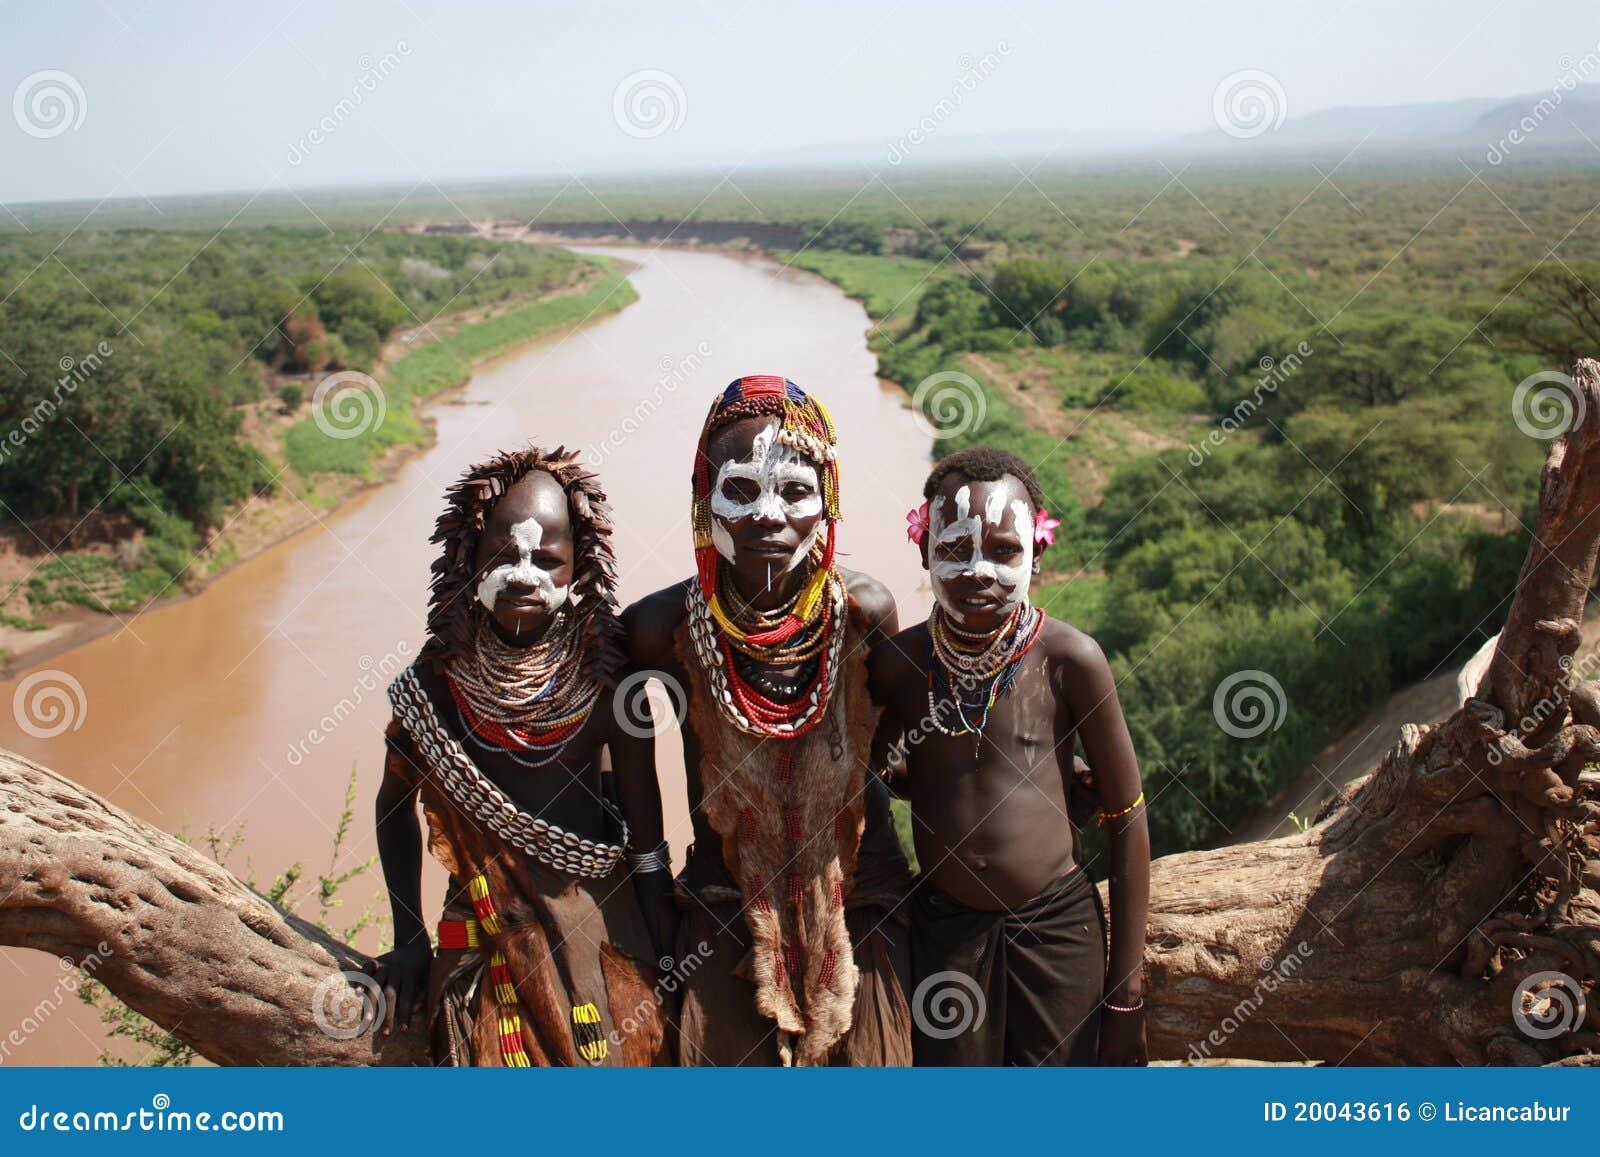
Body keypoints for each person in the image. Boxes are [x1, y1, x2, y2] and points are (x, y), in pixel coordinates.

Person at [624, 374, 914, 1066]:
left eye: (794, 490)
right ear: (705, 500)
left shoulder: (866, 612)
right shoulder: (657, 629)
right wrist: (651, 897)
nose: (769, 515)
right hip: (726, 901)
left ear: (828, 500)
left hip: (860, 895)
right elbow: (628, 775)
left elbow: (901, 755)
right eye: (741, 491)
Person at [372, 446, 672, 1066]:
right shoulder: (434, 687)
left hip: (603, 928)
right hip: (482, 928)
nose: (523, 575)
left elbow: (646, 845)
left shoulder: (609, 682)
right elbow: (391, 806)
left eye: (547, 560)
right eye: (502, 557)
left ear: (578, 572)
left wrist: (668, 948)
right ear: (467, 563)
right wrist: (407, 939)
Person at [870, 446, 1150, 1066]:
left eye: (1003, 551)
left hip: (1057, 931)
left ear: (1037, 553)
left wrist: (1126, 996)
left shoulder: (1071, 660)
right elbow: (867, 768)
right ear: (923, 551)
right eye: (953, 550)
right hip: (944, 930)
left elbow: (1129, 817)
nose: (978, 572)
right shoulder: (900, 665)